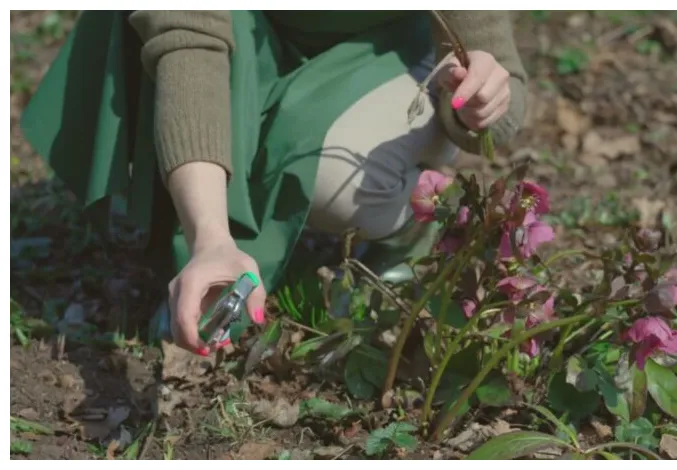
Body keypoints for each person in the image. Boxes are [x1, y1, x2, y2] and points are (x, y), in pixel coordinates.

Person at [21, 11, 528, 357]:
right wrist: (210, 238)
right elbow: (188, 36)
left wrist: (481, 99)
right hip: (248, 33)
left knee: (339, 180)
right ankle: (213, 249)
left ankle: (407, 231)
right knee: (174, 56)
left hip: (388, 45)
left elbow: (504, 90)